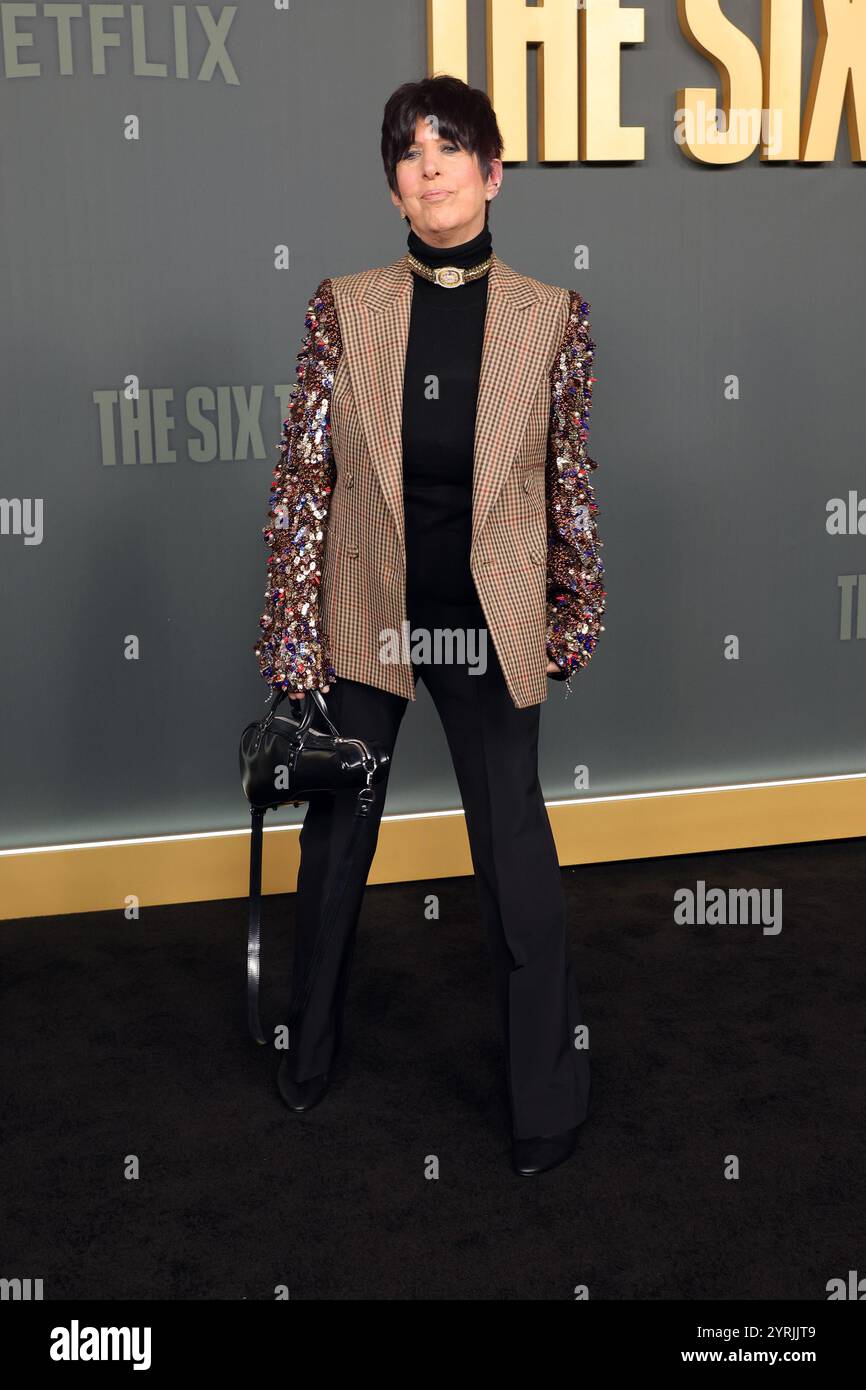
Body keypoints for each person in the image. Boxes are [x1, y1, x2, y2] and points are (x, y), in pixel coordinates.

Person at [252, 75, 606, 1175]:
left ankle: (543, 1105)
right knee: (335, 848)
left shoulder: (551, 315)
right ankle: (304, 1057)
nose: (430, 164)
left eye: (451, 145)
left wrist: (571, 607)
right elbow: (303, 475)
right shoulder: (342, 307)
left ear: (492, 172)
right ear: (394, 185)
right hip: (368, 613)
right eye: (409, 151)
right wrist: (291, 635)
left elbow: (567, 477)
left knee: (515, 863)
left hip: (490, 620)